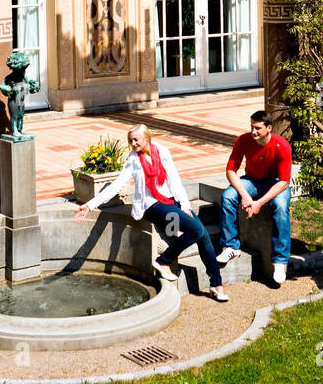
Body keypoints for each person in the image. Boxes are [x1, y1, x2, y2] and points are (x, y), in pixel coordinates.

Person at [74, 124, 229, 302]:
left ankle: (216, 284)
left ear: (147, 138)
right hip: (151, 206)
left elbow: (175, 179)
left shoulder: (162, 152)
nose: (133, 143)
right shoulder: (133, 160)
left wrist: (185, 204)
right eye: (130, 140)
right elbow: (117, 185)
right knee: (197, 230)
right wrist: (89, 205)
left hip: (171, 202)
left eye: (136, 140)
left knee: (203, 236)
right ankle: (164, 261)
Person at [218, 109, 292, 287]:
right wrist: (245, 195)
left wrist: (258, 203)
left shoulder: (282, 146)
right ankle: (231, 247)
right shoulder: (243, 140)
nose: (253, 132)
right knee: (227, 196)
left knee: (281, 207)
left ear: (269, 128)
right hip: (251, 180)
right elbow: (230, 171)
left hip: (275, 182)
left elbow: (283, 181)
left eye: (258, 128)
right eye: (252, 127)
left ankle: (280, 261)